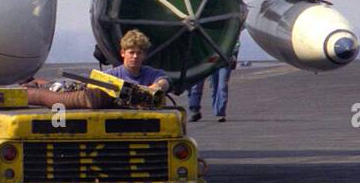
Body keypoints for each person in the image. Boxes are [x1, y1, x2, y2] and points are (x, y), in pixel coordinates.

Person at [25, 30, 170, 108]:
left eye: (139, 53)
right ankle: (36, 86)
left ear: (144, 55)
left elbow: (164, 80)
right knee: (60, 89)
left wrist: (156, 87)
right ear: (123, 53)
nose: (135, 56)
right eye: (131, 52)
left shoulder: (151, 74)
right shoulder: (111, 76)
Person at [188, 39, 238, 122]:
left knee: (221, 86)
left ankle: (220, 113)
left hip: (224, 58)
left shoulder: (229, 28)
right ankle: (195, 110)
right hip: (206, 58)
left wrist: (234, 55)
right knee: (197, 85)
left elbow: (235, 40)